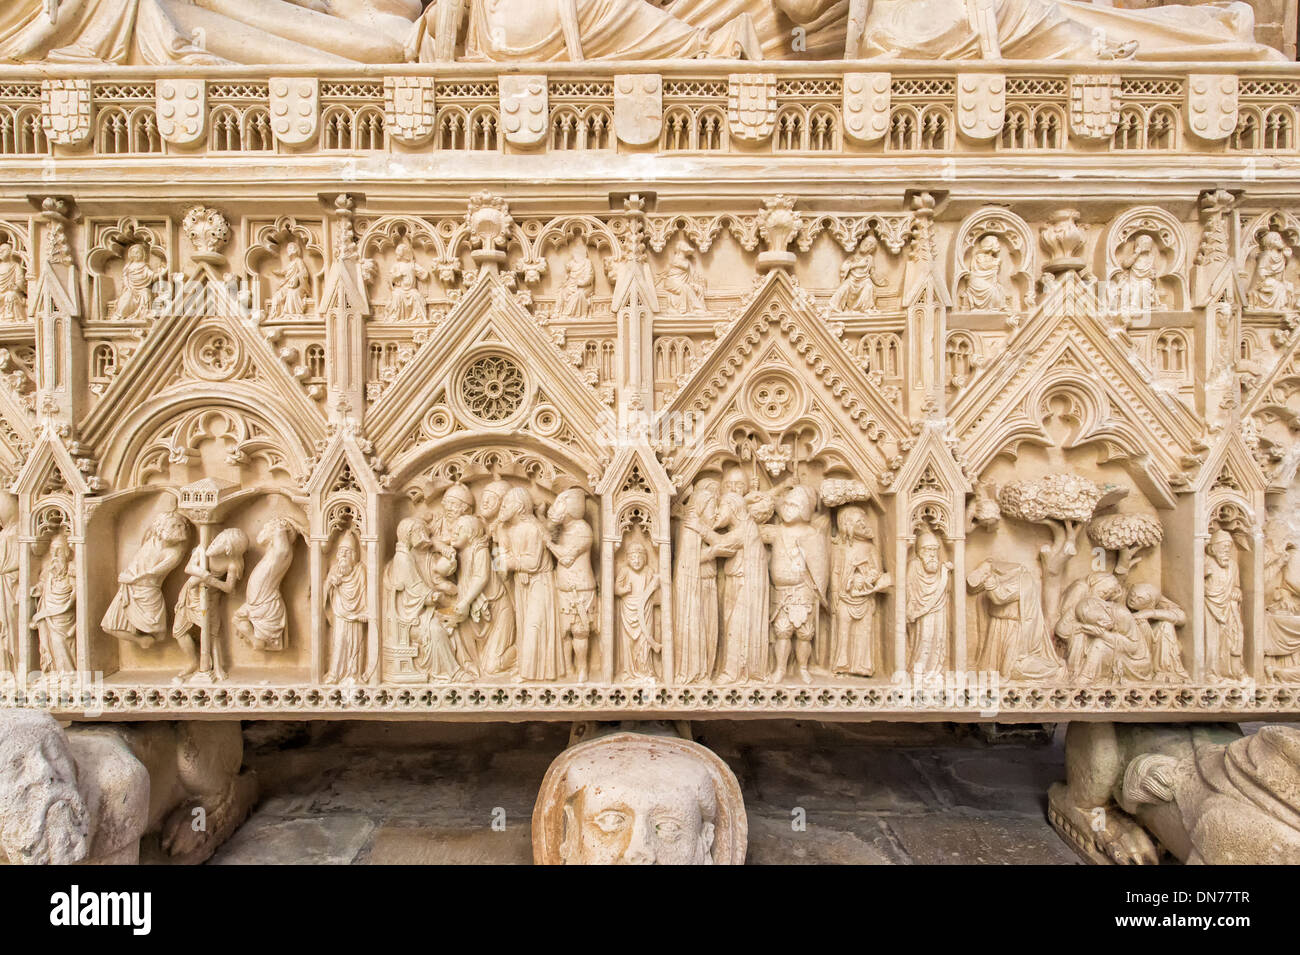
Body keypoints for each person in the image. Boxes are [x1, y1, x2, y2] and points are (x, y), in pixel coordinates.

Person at [101, 505, 190, 649]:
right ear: (161, 528)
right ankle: (140, 640)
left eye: (182, 526)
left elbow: (154, 572)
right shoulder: (152, 539)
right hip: (129, 589)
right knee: (108, 626)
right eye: (175, 525)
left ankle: (146, 639)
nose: (180, 529)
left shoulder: (174, 553)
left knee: (158, 633)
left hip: (147, 592)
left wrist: (131, 578)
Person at [499, 487, 563, 682]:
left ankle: (532, 673)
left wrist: (513, 564)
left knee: (534, 625)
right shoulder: (510, 529)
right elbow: (500, 561)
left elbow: (532, 562)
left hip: (539, 583)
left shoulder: (532, 529)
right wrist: (508, 557)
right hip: (523, 583)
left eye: (505, 504)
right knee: (525, 625)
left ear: (519, 507)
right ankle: (525, 668)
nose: (502, 508)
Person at [171, 527, 248, 680]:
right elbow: (189, 568)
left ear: (228, 549)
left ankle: (217, 667)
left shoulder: (232, 564)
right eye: (217, 539)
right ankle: (192, 661)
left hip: (209, 597)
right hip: (190, 593)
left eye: (220, 543)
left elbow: (228, 587)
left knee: (212, 632)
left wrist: (210, 580)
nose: (214, 544)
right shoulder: (202, 548)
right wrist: (202, 574)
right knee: (178, 631)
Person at [905, 526, 951, 679]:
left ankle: (934, 671)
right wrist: (913, 609)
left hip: (939, 609)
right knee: (925, 639)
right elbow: (910, 590)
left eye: (934, 550)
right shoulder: (914, 566)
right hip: (922, 611)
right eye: (927, 550)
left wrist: (945, 574)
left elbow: (947, 591)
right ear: (919, 552)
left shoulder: (939, 567)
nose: (932, 555)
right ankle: (919, 671)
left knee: (938, 640)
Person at [323, 532, 367, 684]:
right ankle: (334, 674)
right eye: (341, 552)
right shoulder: (335, 569)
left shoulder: (360, 570)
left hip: (356, 615)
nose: (343, 555)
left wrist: (363, 611)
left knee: (355, 643)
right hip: (340, 612)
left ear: (354, 554)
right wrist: (331, 584)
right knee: (340, 642)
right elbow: (326, 589)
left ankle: (354, 674)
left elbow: (364, 592)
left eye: (347, 552)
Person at [31, 534, 77, 674]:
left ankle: (69, 673)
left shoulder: (72, 569)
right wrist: (36, 589)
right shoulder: (50, 568)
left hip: (64, 617)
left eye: (59, 550)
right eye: (52, 550)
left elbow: (75, 594)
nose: (55, 554)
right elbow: (43, 583)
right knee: (50, 643)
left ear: (67, 552)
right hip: (50, 614)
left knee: (61, 642)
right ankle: (56, 672)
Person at [1205, 528, 1245, 681]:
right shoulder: (1206, 562)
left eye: (1229, 548)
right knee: (1211, 640)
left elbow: (1236, 586)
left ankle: (1229, 671)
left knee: (1229, 638)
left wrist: (1236, 590)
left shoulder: (1233, 565)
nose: (1227, 551)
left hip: (1227, 607)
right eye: (1223, 547)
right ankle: (1211, 672)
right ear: (1212, 548)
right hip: (1209, 606)